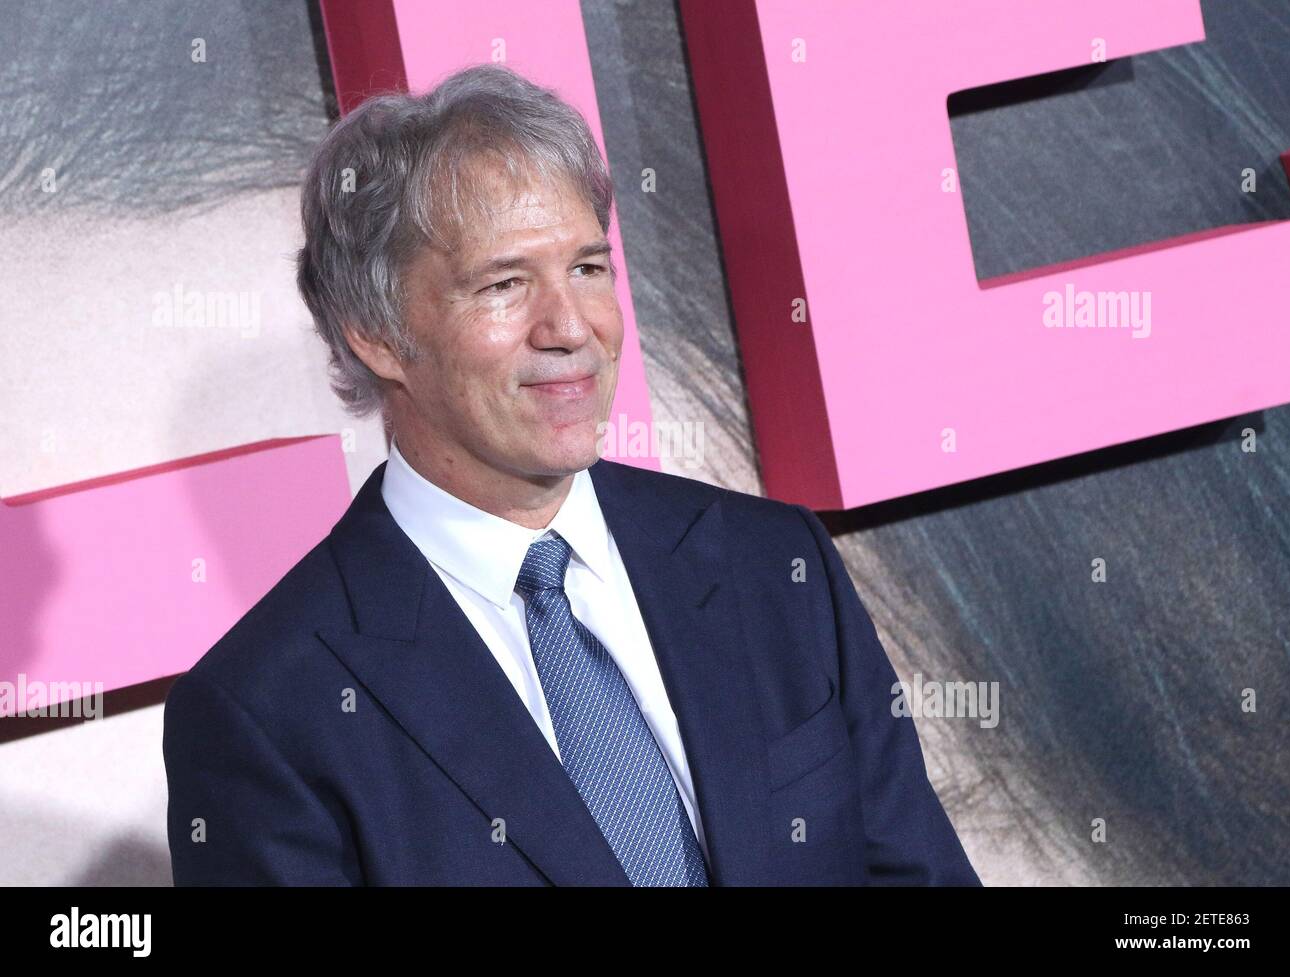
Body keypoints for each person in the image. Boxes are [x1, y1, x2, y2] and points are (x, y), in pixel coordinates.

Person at [162, 63, 980, 886]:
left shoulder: (774, 564)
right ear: (375, 333)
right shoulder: (267, 712)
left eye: (588, 268)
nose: (570, 327)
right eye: (505, 284)